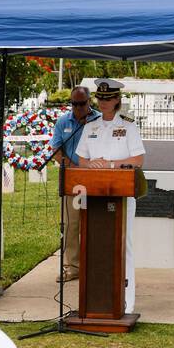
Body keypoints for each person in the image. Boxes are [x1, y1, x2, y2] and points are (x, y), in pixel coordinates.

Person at [76, 78, 144, 315]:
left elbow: (137, 161)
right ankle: (96, 299)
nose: (103, 102)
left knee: (123, 245)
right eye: (100, 98)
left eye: (108, 98)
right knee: (94, 243)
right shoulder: (89, 126)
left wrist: (111, 164)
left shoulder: (129, 126)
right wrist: (91, 164)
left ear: (117, 100)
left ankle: (127, 300)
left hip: (121, 195)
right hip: (94, 195)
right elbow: (81, 160)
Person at [50, 86, 100, 281]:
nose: (77, 108)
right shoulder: (64, 122)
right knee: (71, 224)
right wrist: (72, 167)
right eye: (74, 104)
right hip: (73, 180)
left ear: (90, 102)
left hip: (96, 179)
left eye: (81, 104)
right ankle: (72, 267)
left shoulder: (99, 120)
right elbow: (56, 149)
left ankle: (95, 264)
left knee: (95, 223)